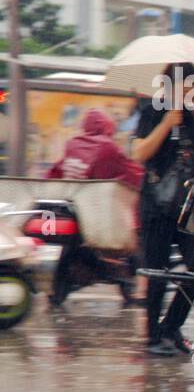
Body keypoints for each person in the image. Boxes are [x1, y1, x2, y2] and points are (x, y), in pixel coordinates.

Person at [130, 65, 194, 355]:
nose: (189, 91)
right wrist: (167, 122)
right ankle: (153, 338)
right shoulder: (153, 109)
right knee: (157, 271)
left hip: (188, 206)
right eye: (184, 86)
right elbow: (139, 153)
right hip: (156, 204)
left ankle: (171, 326)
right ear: (168, 86)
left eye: (193, 86)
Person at [45, 108, 145, 306]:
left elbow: (55, 172)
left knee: (69, 249)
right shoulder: (108, 147)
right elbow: (129, 171)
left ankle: (58, 292)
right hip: (98, 213)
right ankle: (131, 282)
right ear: (108, 126)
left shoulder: (72, 144)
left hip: (72, 210)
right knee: (133, 239)